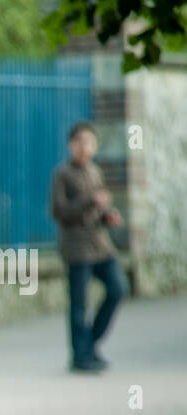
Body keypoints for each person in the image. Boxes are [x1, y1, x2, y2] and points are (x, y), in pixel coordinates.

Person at [50, 120, 127, 372]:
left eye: (90, 142)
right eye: (80, 142)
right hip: (77, 249)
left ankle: (89, 343)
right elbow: (59, 211)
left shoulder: (95, 172)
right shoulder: (62, 174)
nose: (85, 147)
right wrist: (88, 200)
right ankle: (80, 356)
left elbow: (98, 209)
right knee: (79, 304)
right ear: (71, 145)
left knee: (118, 288)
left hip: (101, 246)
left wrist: (108, 215)